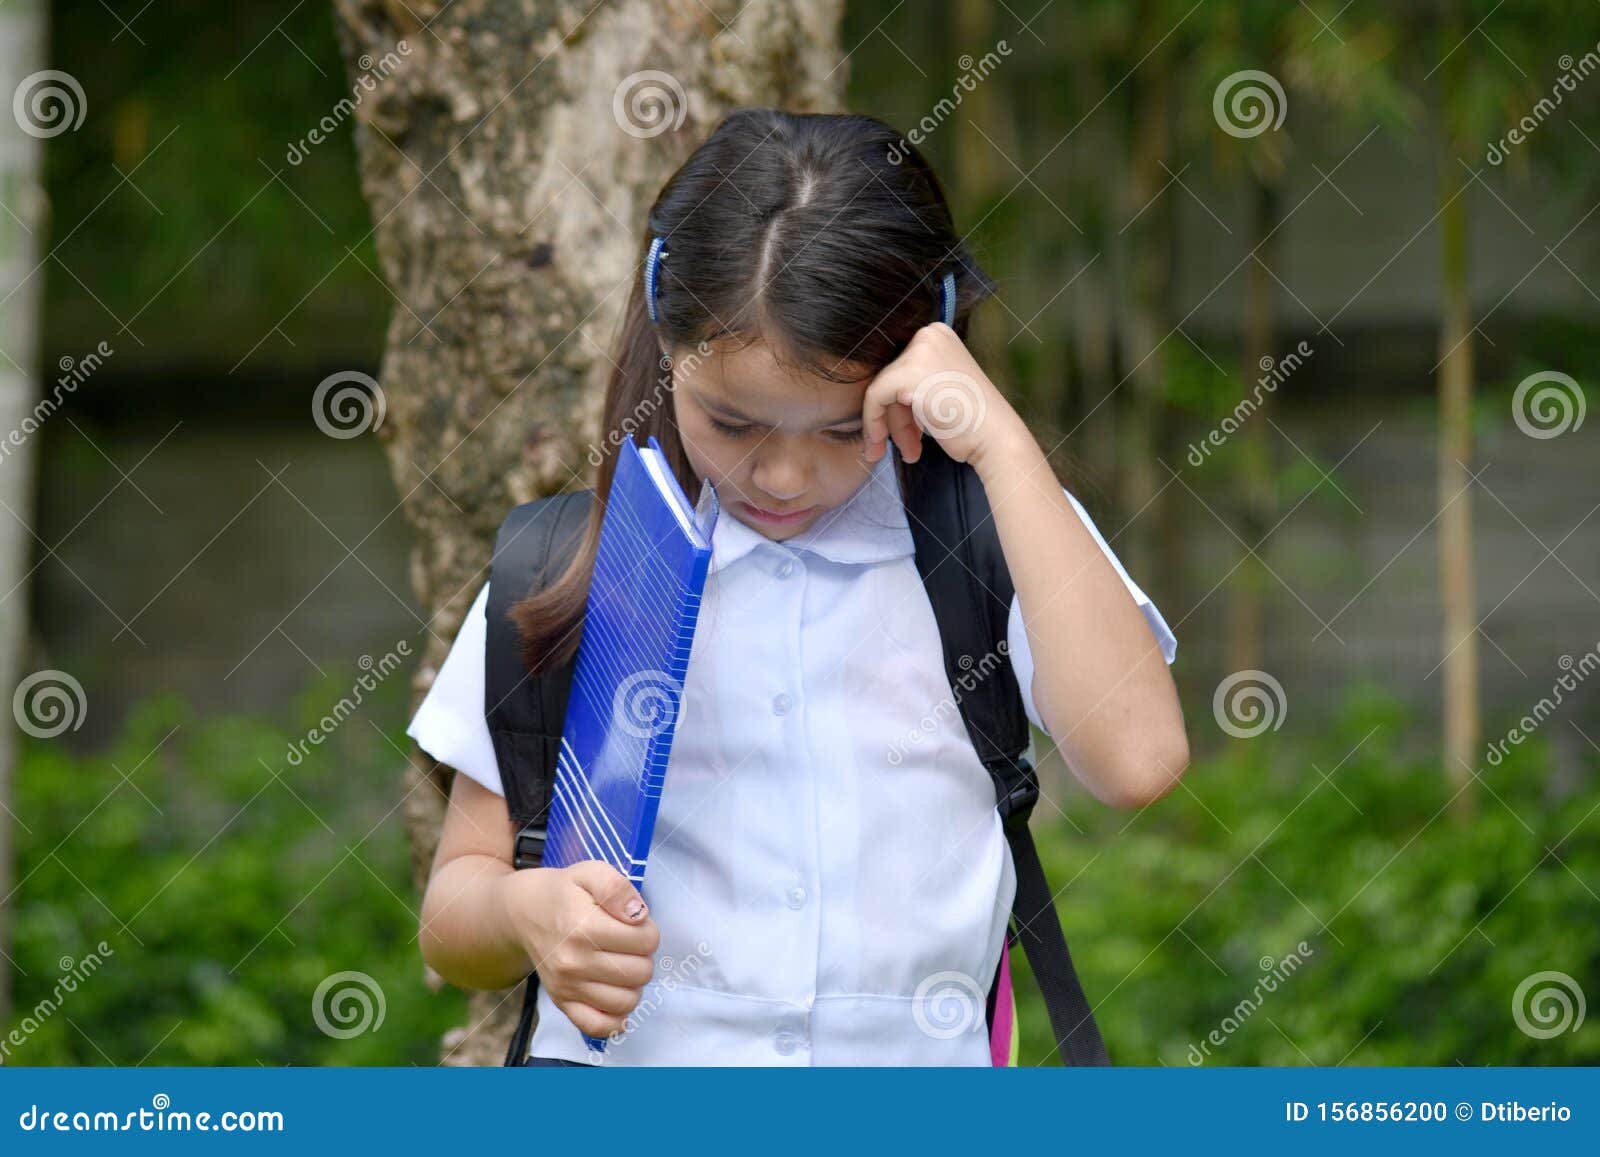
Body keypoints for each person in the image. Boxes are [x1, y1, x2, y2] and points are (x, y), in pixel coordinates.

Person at [408, 108, 1187, 1066]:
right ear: (665, 327)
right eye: (732, 423)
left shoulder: (992, 532)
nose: (782, 478)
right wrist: (527, 914)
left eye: (835, 429)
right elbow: (454, 910)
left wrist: (997, 437)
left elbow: (1138, 761)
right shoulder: (580, 564)